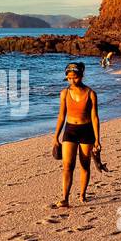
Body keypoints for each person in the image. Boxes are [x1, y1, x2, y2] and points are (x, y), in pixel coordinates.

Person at [51, 62, 100, 208]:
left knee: (85, 165)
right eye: (69, 78)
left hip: (87, 131)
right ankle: (65, 198)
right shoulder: (64, 93)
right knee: (67, 166)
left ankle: (82, 194)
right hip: (70, 130)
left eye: (75, 77)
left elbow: (95, 117)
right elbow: (61, 116)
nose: (72, 81)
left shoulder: (91, 93)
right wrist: (56, 137)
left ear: (81, 75)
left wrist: (98, 139)